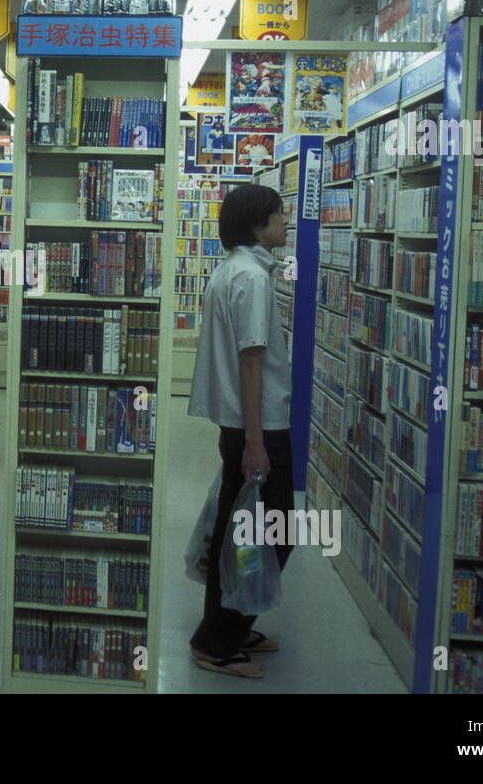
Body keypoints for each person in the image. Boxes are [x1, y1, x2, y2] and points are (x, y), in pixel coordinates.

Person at [187, 185, 293, 679]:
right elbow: (252, 363)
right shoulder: (252, 278)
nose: (285, 222)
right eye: (278, 215)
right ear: (257, 224)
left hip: (242, 424)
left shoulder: (232, 270)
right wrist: (255, 441)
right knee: (271, 532)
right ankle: (218, 640)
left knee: (242, 530)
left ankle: (232, 623)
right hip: (260, 426)